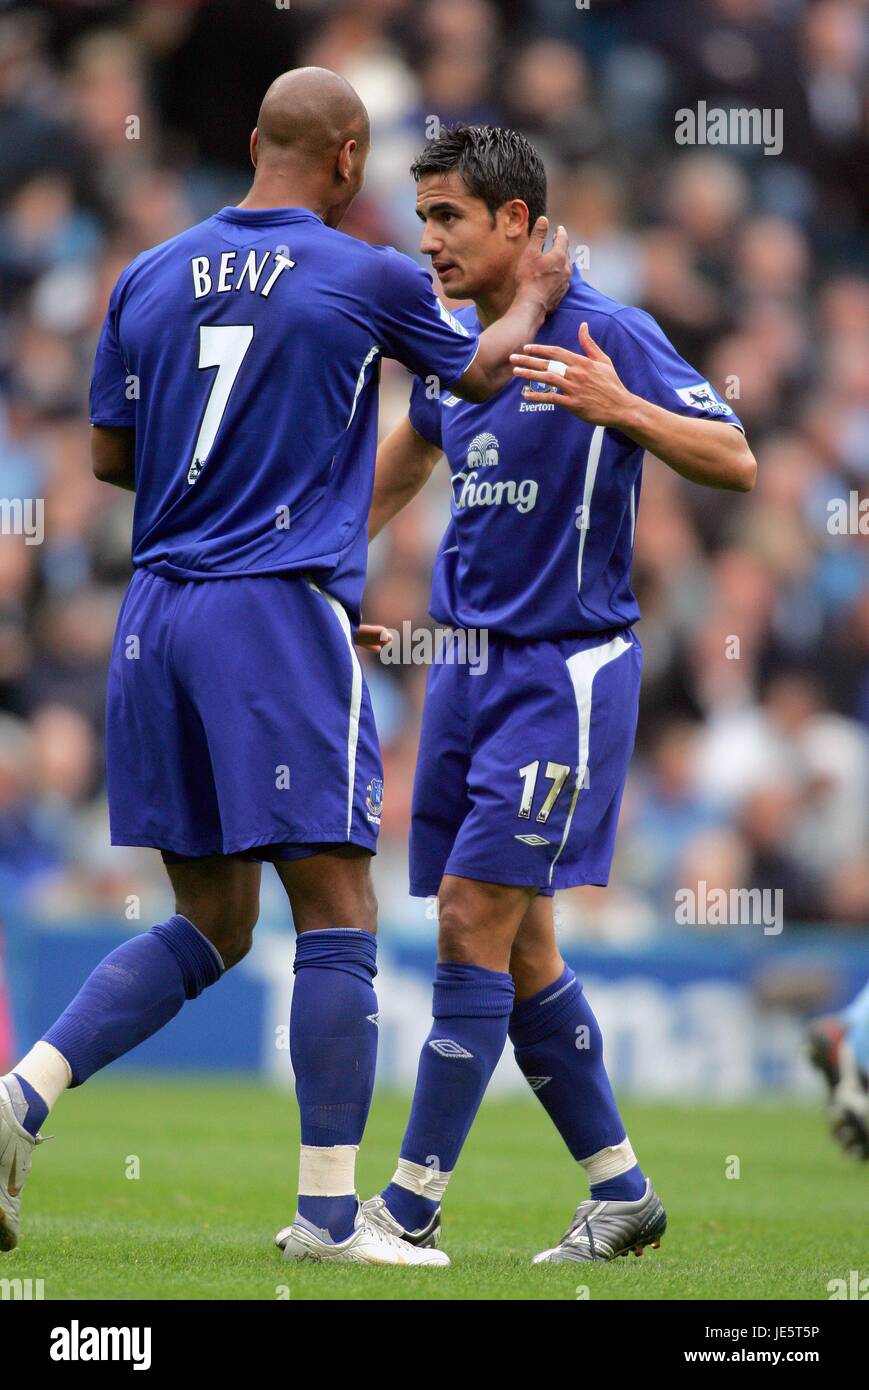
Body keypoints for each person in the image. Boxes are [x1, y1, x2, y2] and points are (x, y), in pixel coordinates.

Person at [0, 76, 571, 1266]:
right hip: (270, 609)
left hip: (156, 615)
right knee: (337, 903)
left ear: (256, 144)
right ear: (350, 160)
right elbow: (471, 379)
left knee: (210, 919)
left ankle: (20, 1096)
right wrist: (537, 307)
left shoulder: (146, 273)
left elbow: (115, 455)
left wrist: (237, 515)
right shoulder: (363, 272)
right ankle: (326, 1218)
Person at [351, 124, 756, 1263]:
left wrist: (619, 407)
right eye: (421, 216)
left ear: (518, 222)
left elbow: (734, 457)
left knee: (476, 918)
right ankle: (622, 1192)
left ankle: (409, 1206)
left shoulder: (605, 330)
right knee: (518, 943)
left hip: (561, 675)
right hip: (463, 672)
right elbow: (403, 465)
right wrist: (318, 582)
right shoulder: (462, 348)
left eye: (447, 219)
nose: (425, 240)